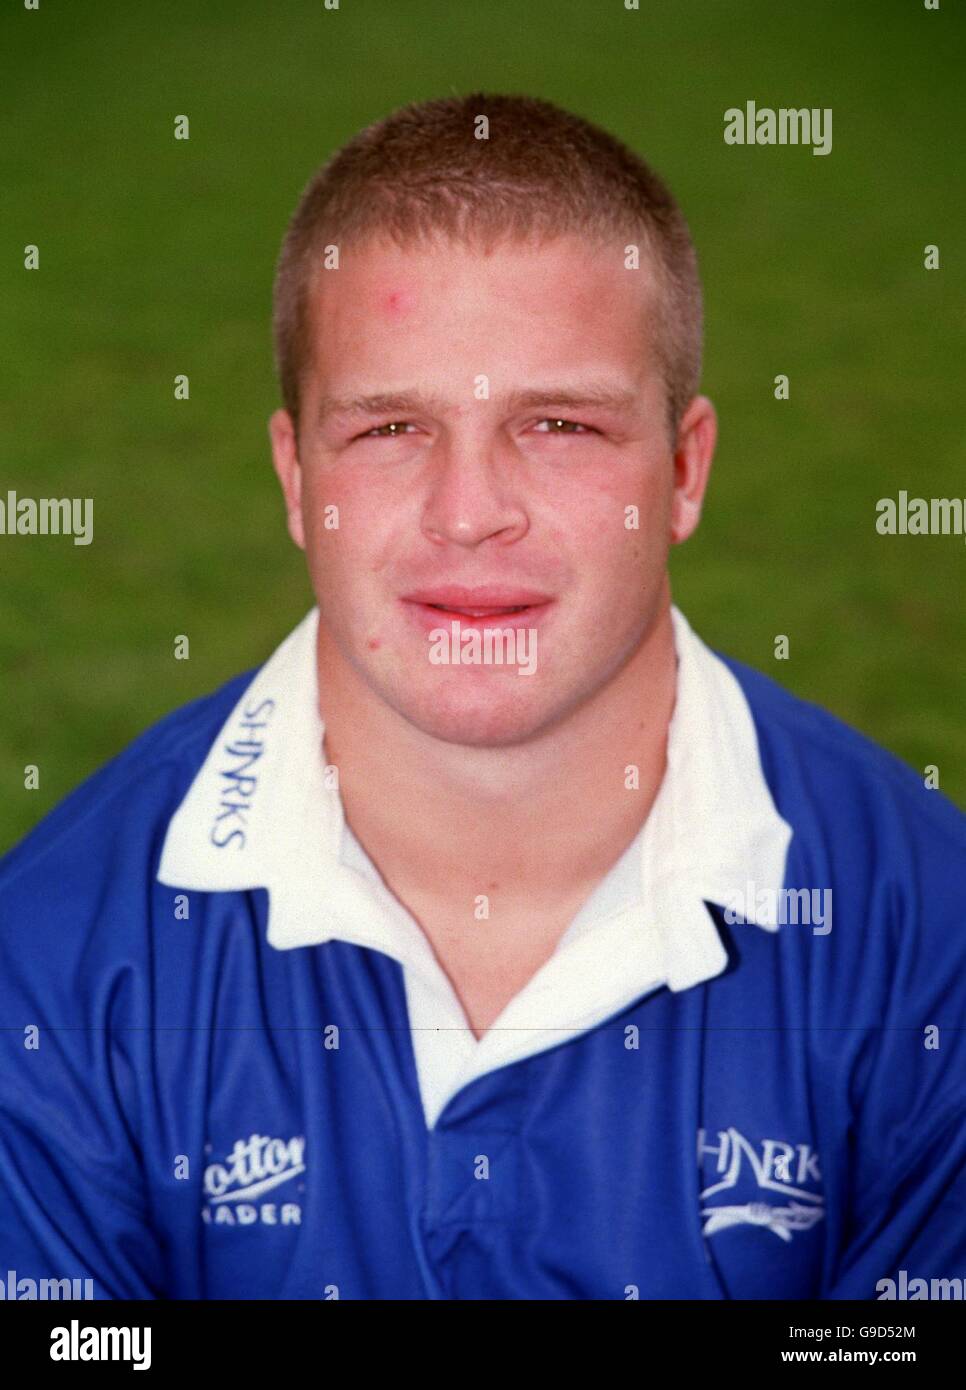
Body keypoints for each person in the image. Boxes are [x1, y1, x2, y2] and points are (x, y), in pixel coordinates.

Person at [1, 93, 963, 1302]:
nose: (469, 512)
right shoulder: (49, 958)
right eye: (392, 428)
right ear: (298, 480)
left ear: (684, 469)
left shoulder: (932, 945)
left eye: (559, 424)